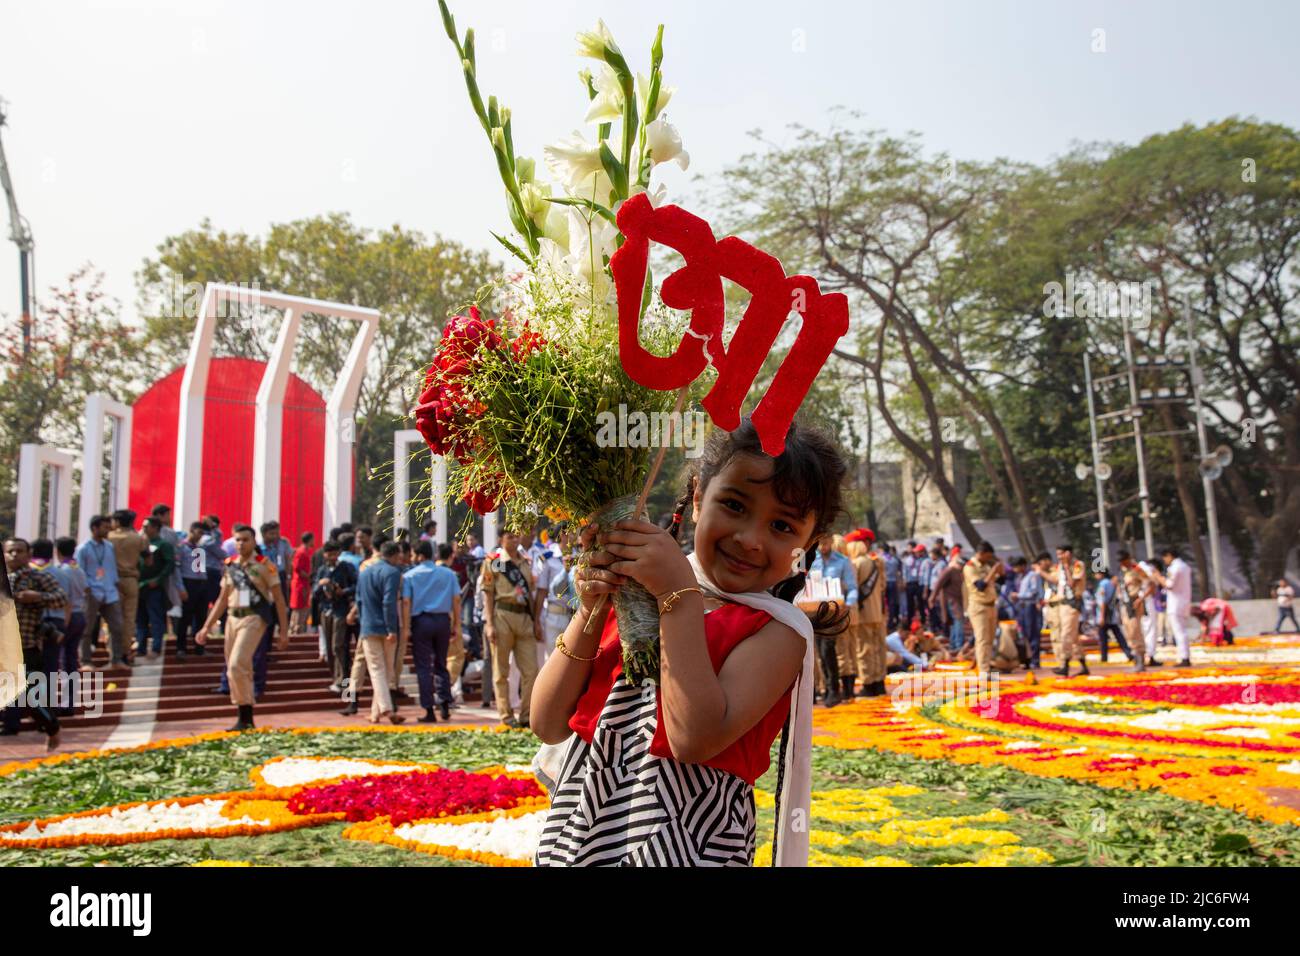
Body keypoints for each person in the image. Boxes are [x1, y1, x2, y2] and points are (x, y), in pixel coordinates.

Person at [531, 419, 847, 867]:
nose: (750, 540)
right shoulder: (637, 591)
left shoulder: (778, 632)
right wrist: (589, 609)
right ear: (698, 497)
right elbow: (547, 722)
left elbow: (693, 739)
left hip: (689, 843)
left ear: (808, 543)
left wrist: (676, 595)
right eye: (734, 505)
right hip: (580, 833)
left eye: (781, 526)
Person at [194, 524, 290, 731]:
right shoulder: (231, 566)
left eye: (245, 539)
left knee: (238, 664)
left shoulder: (265, 565)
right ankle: (244, 716)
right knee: (234, 669)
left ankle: (246, 714)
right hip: (232, 618)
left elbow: (279, 599)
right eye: (237, 540)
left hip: (254, 618)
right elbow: (221, 600)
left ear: (254, 542)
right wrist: (206, 627)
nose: (241, 544)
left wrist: (284, 631)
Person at [2, 537, 68, 747]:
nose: (14, 555)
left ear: (29, 555)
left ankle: (52, 727)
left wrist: (37, 596)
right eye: (10, 551)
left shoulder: (37, 577)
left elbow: (61, 598)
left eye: (19, 551)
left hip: (25, 647)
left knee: (30, 696)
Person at [480, 529, 542, 728]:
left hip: (524, 617)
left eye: (517, 536)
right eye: (510, 537)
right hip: (501, 616)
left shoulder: (526, 561)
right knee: (501, 671)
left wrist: (536, 621)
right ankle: (506, 716)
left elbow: (530, 593)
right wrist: (489, 624)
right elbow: (488, 594)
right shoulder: (495, 561)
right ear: (501, 539)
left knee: (531, 671)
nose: (515, 540)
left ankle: (526, 715)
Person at [349, 541, 406, 725]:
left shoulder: (364, 573)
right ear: (394, 555)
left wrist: (362, 621)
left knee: (378, 671)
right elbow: (389, 602)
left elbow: (358, 601)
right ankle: (387, 709)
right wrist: (391, 628)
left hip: (368, 625)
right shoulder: (392, 573)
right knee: (383, 671)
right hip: (385, 627)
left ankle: (375, 714)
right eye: (399, 555)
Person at [404, 541, 461, 722]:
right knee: (441, 663)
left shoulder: (410, 576)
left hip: (421, 621)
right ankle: (444, 702)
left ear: (420, 556)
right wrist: (457, 624)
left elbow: (406, 603)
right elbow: (456, 600)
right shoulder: (448, 574)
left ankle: (428, 708)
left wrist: (405, 627)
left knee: (423, 666)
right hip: (442, 620)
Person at [75, 515, 128, 669]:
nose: (108, 530)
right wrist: (87, 589)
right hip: (91, 592)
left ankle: (116, 660)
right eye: (105, 527)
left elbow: (111, 569)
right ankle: (85, 661)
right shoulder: (83, 548)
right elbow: (79, 571)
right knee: (87, 629)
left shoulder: (109, 546)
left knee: (117, 627)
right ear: (94, 528)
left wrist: (117, 587)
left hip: (110, 591)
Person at [848, 529, 887, 698]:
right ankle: (879, 683)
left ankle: (868, 683)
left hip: (863, 614)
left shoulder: (856, 564)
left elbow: (852, 589)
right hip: (878, 612)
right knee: (878, 648)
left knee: (863, 649)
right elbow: (883, 587)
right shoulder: (877, 562)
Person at [315, 541, 357, 694]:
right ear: (324, 554)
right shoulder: (322, 570)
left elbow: (356, 586)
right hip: (326, 610)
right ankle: (337, 679)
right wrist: (321, 585)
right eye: (328, 554)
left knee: (338, 646)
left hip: (341, 610)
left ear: (339, 553)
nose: (332, 557)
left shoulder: (346, 568)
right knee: (330, 648)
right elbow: (314, 592)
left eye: (334, 553)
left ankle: (344, 681)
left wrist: (342, 591)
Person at [108, 510, 146, 663]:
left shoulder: (108, 538)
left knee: (112, 618)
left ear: (116, 521)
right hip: (131, 580)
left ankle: (113, 651)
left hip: (112, 581)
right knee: (129, 618)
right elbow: (148, 559)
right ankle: (125, 652)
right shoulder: (138, 538)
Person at [1046, 545, 1088, 677]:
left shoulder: (1077, 565)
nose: (1059, 557)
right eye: (1057, 555)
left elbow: (1071, 584)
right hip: (1062, 604)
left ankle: (1065, 665)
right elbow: (1054, 579)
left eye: (1061, 554)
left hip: (1072, 604)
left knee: (1066, 634)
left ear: (1068, 553)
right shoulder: (1058, 567)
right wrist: (1041, 571)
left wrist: (1065, 567)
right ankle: (1084, 666)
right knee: (1074, 637)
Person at [136, 516, 175, 658]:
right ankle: (140, 648)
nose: (144, 529)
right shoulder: (140, 543)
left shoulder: (163, 545)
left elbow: (169, 565)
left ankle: (156, 648)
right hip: (139, 586)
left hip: (154, 588)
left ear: (155, 528)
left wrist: (158, 580)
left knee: (155, 618)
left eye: (147, 526)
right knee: (140, 620)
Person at [962, 541, 1002, 675]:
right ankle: (984, 670)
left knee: (990, 639)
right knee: (982, 639)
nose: (989, 559)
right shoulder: (970, 566)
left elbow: (999, 581)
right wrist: (993, 571)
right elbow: (980, 585)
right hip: (979, 607)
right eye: (988, 556)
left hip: (991, 605)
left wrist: (999, 572)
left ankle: (987, 665)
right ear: (981, 553)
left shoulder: (985, 566)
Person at [1150, 548, 1193, 667]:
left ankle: (1184, 657)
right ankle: (1185, 656)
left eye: (1165, 557)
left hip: (1175, 604)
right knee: (1182, 631)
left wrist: (1158, 576)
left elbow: (1169, 585)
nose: (1165, 560)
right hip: (1184, 602)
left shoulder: (1174, 568)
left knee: (1179, 632)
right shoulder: (1185, 566)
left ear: (1169, 555)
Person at [52, 537, 88, 677]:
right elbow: (87, 589)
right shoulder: (78, 569)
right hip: (79, 615)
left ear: (57, 551)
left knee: (61, 657)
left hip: (67, 616)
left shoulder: (61, 571)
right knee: (71, 657)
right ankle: (71, 695)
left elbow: (64, 599)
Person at [176, 521, 210, 658]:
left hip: (201, 583)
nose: (201, 536)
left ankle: (199, 647)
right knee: (185, 618)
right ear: (192, 531)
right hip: (188, 582)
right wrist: (180, 588)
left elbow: (200, 569)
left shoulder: (199, 548)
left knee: (201, 617)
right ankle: (181, 648)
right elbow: (177, 569)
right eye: (199, 532)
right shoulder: (182, 547)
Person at [1116, 551, 1148, 673]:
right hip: (1124, 604)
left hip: (1134, 603)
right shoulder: (1122, 571)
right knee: (1129, 632)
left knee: (1135, 631)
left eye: (1124, 560)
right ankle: (1136, 660)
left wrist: (1141, 599)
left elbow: (1149, 585)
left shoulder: (1137, 569)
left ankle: (1141, 661)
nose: (1122, 563)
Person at [1094, 567, 1134, 663]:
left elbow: (1102, 601)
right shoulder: (1110, 583)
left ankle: (1104, 657)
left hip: (1105, 614)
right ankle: (1128, 652)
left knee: (1103, 637)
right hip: (1112, 614)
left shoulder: (1103, 584)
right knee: (1118, 635)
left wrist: (1102, 617)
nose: (1095, 575)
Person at [1016, 553, 1048, 669]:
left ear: (1023, 566)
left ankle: (1035, 660)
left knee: (1033, 633)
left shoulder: (1033, 575)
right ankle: (1027, 660)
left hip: (1031, 606)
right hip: (1022, 607)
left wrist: (1019, 595)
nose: (1015, 569)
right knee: (1024, 634)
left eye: (1017, 566)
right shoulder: (1020, 577)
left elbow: (1034, 592)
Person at [931, 549, 966, 654]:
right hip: (951, 600)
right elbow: (938, 584)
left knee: (955, 622)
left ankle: (954, 644)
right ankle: (958, 645)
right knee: (959, 620)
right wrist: (932, 598)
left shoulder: (960, 572)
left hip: (957, 600)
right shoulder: (950, 570)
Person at [290, 532, 314, 639]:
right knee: (299, 607)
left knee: (303, 607)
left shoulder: (305, 551)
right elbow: (297, 568)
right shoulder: (301, 552)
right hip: (300, 584)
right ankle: (296, 630)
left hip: (304, 583)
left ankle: (299, 629)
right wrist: (308, 576)